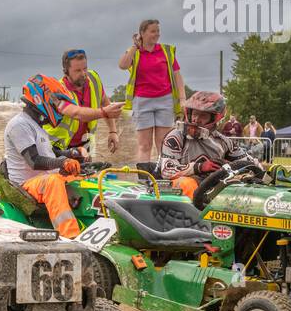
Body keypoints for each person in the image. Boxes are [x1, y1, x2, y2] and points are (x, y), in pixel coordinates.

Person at [2, 75, 85, 238]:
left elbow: (49, 153)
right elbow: (34, 161)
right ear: (40, 98)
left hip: (40, 180)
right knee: (52, 182)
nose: (57, 108)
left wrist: (71, 154)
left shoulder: (36, 126)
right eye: (55, 103)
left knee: (86, 180)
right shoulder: (19, 124)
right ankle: (70, 236)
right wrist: (62, 162)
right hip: (25, 184)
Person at [157, 91, 256, 200]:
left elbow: (249, 163)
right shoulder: (176, 136)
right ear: (188, 113)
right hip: (177, 190)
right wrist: (199, 167)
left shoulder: (223, 141)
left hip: (211, 186)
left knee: (242, 185)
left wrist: (266, 171)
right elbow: (167, 170)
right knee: (187, 184)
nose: (196, 120)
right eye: (194, 114)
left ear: (216, 118)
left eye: (203, 115)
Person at [118, 18, 186, 163]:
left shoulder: (166, 51)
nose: (157, 34)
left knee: (163, 144)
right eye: (153, 31)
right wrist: (135, 46)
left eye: (158, 31)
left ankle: (163, 175)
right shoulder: (135, 52)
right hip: (142, 101)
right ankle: (144, 180)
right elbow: (123, 65)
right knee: (145, 145)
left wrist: (182, 99)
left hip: (165, 101)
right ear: (142, 33)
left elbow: (177, 76)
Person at [50, 48, 123, 157]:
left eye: (85, 68)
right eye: (78, 71)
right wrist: (103, 112)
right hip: (59, 148)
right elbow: (77, 113)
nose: (83, 74)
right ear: (66, 72)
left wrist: (113, 131)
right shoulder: (58, 91)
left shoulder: (93, 78)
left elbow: (104, 101)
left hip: (85, 143)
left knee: (88, 173)